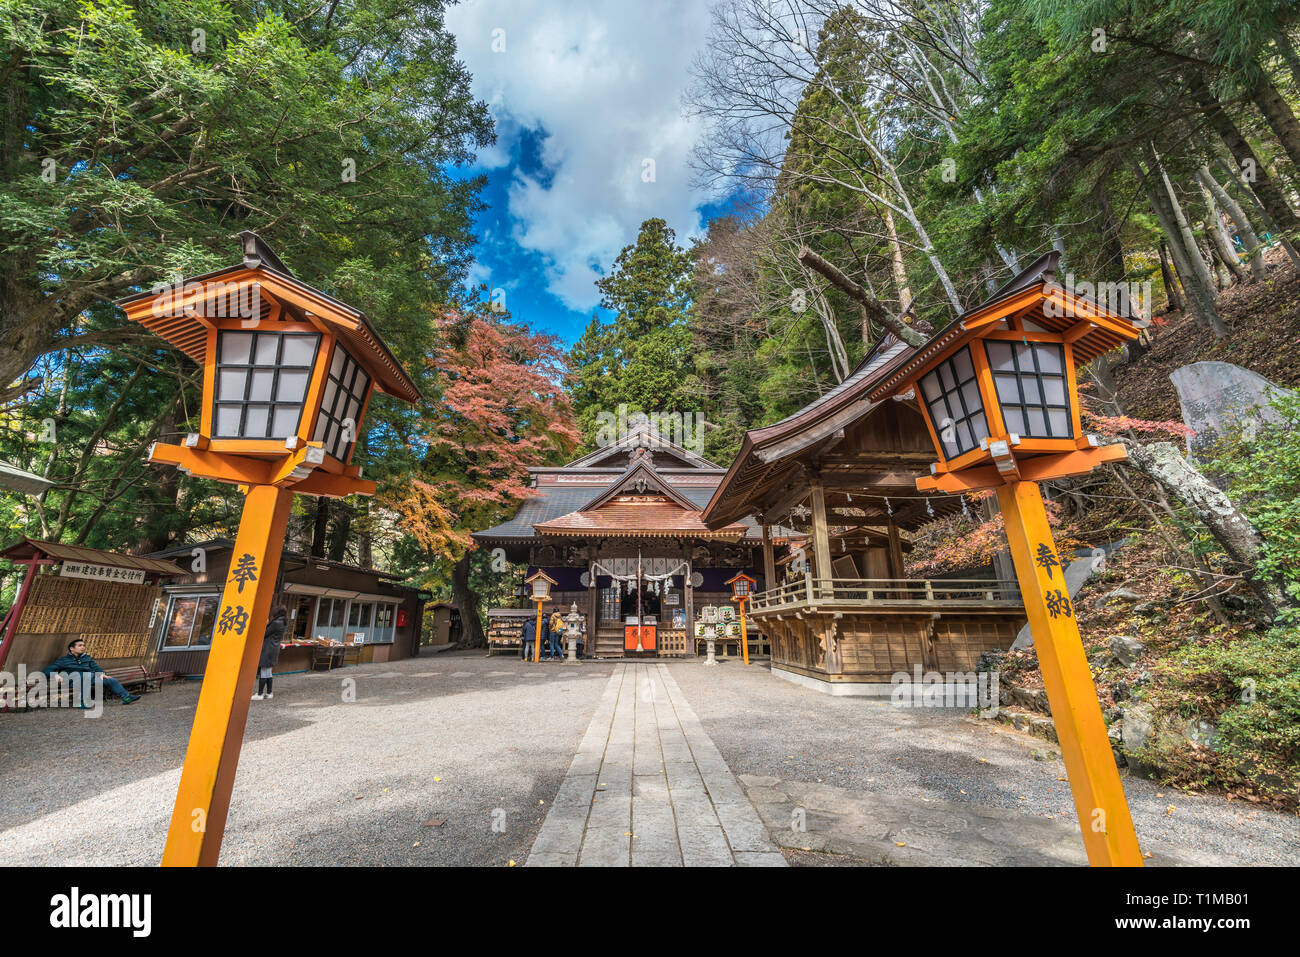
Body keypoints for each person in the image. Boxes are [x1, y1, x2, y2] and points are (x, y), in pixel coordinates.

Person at [41, 639, 138, 705]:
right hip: (72, 681)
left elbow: (97, 669)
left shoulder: (87, 658)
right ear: (72, 648)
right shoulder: (63, 660)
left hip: (89, 678)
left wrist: (102, 674)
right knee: (85, 676)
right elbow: (47, 670)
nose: (83, 647)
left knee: (111, 680)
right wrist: (55, 675)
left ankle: (126, 697)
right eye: (80, 646)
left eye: (83, 645)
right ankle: (84, 702)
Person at [252, 606, 286, 700]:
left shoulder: (276, 623)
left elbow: (264, 633)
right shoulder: (283, 622)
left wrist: (266, 624)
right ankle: (269, 693)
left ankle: (259, 694)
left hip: (268, 649)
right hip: (274, 649)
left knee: (264, 671)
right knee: (268, 672)